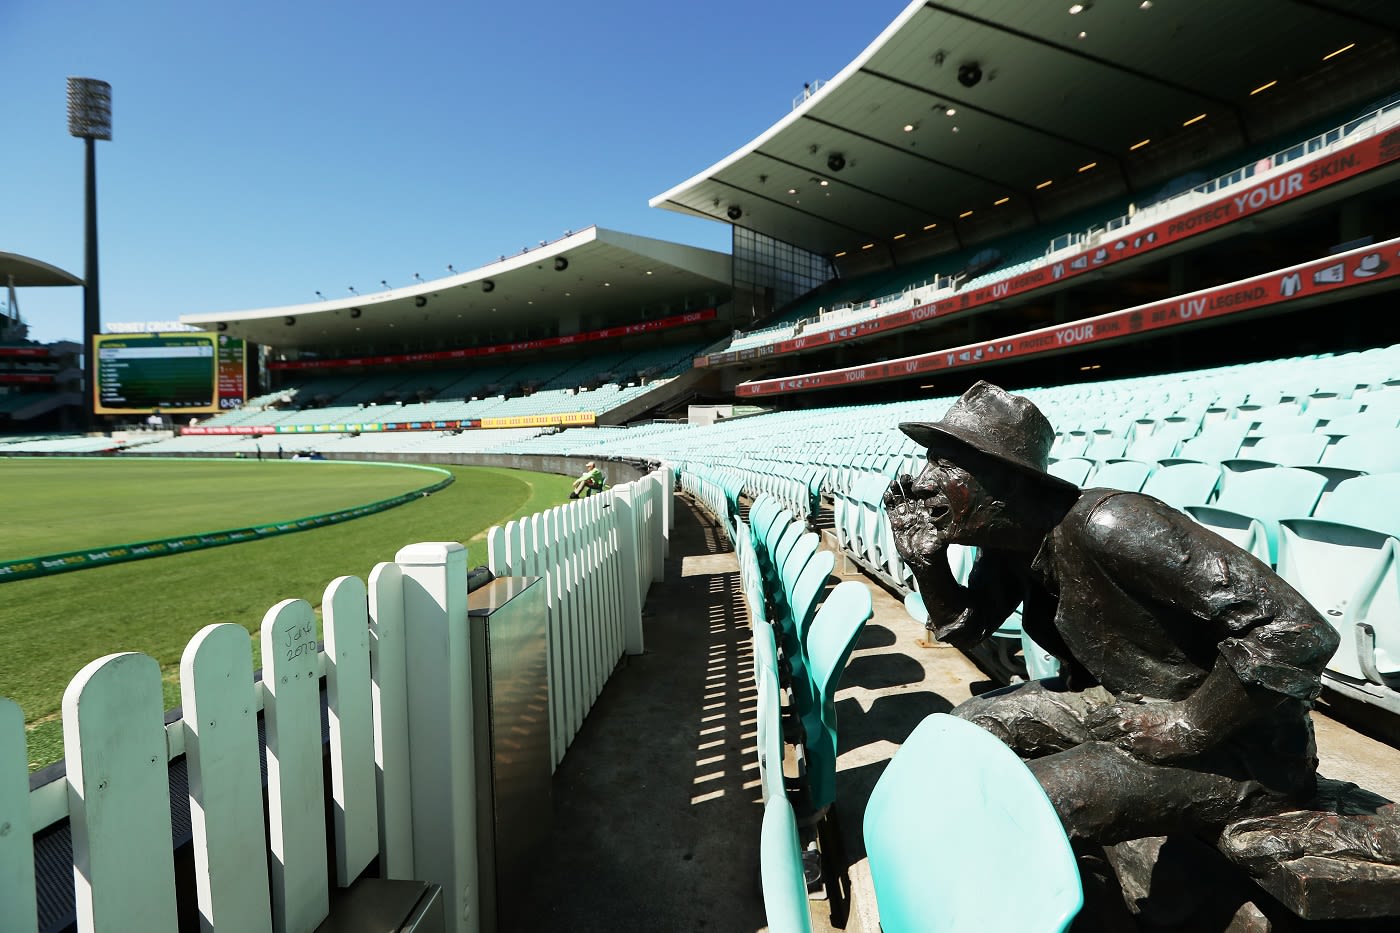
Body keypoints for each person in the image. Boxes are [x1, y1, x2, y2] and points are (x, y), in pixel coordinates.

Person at [883, 381, 1339, 844]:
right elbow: (968, 626)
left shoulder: (1113, 523)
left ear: (1008, 481)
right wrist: (928, 565)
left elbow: (1299, 632)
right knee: (963, 731)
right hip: (1117, 702)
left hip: (1238, 747)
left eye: (946, 463)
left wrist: (1189, 725)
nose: (921, 481)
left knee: (1021, 806)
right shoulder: (1012, 542)